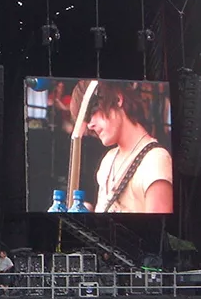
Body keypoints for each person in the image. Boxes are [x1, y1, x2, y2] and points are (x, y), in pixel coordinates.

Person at [69, 80, 172, 214]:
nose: (90, 125)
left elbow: (159, 225)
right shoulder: (108, 160)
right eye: (86, 120)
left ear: (118, 99)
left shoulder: (155, 160)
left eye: (92, 113)